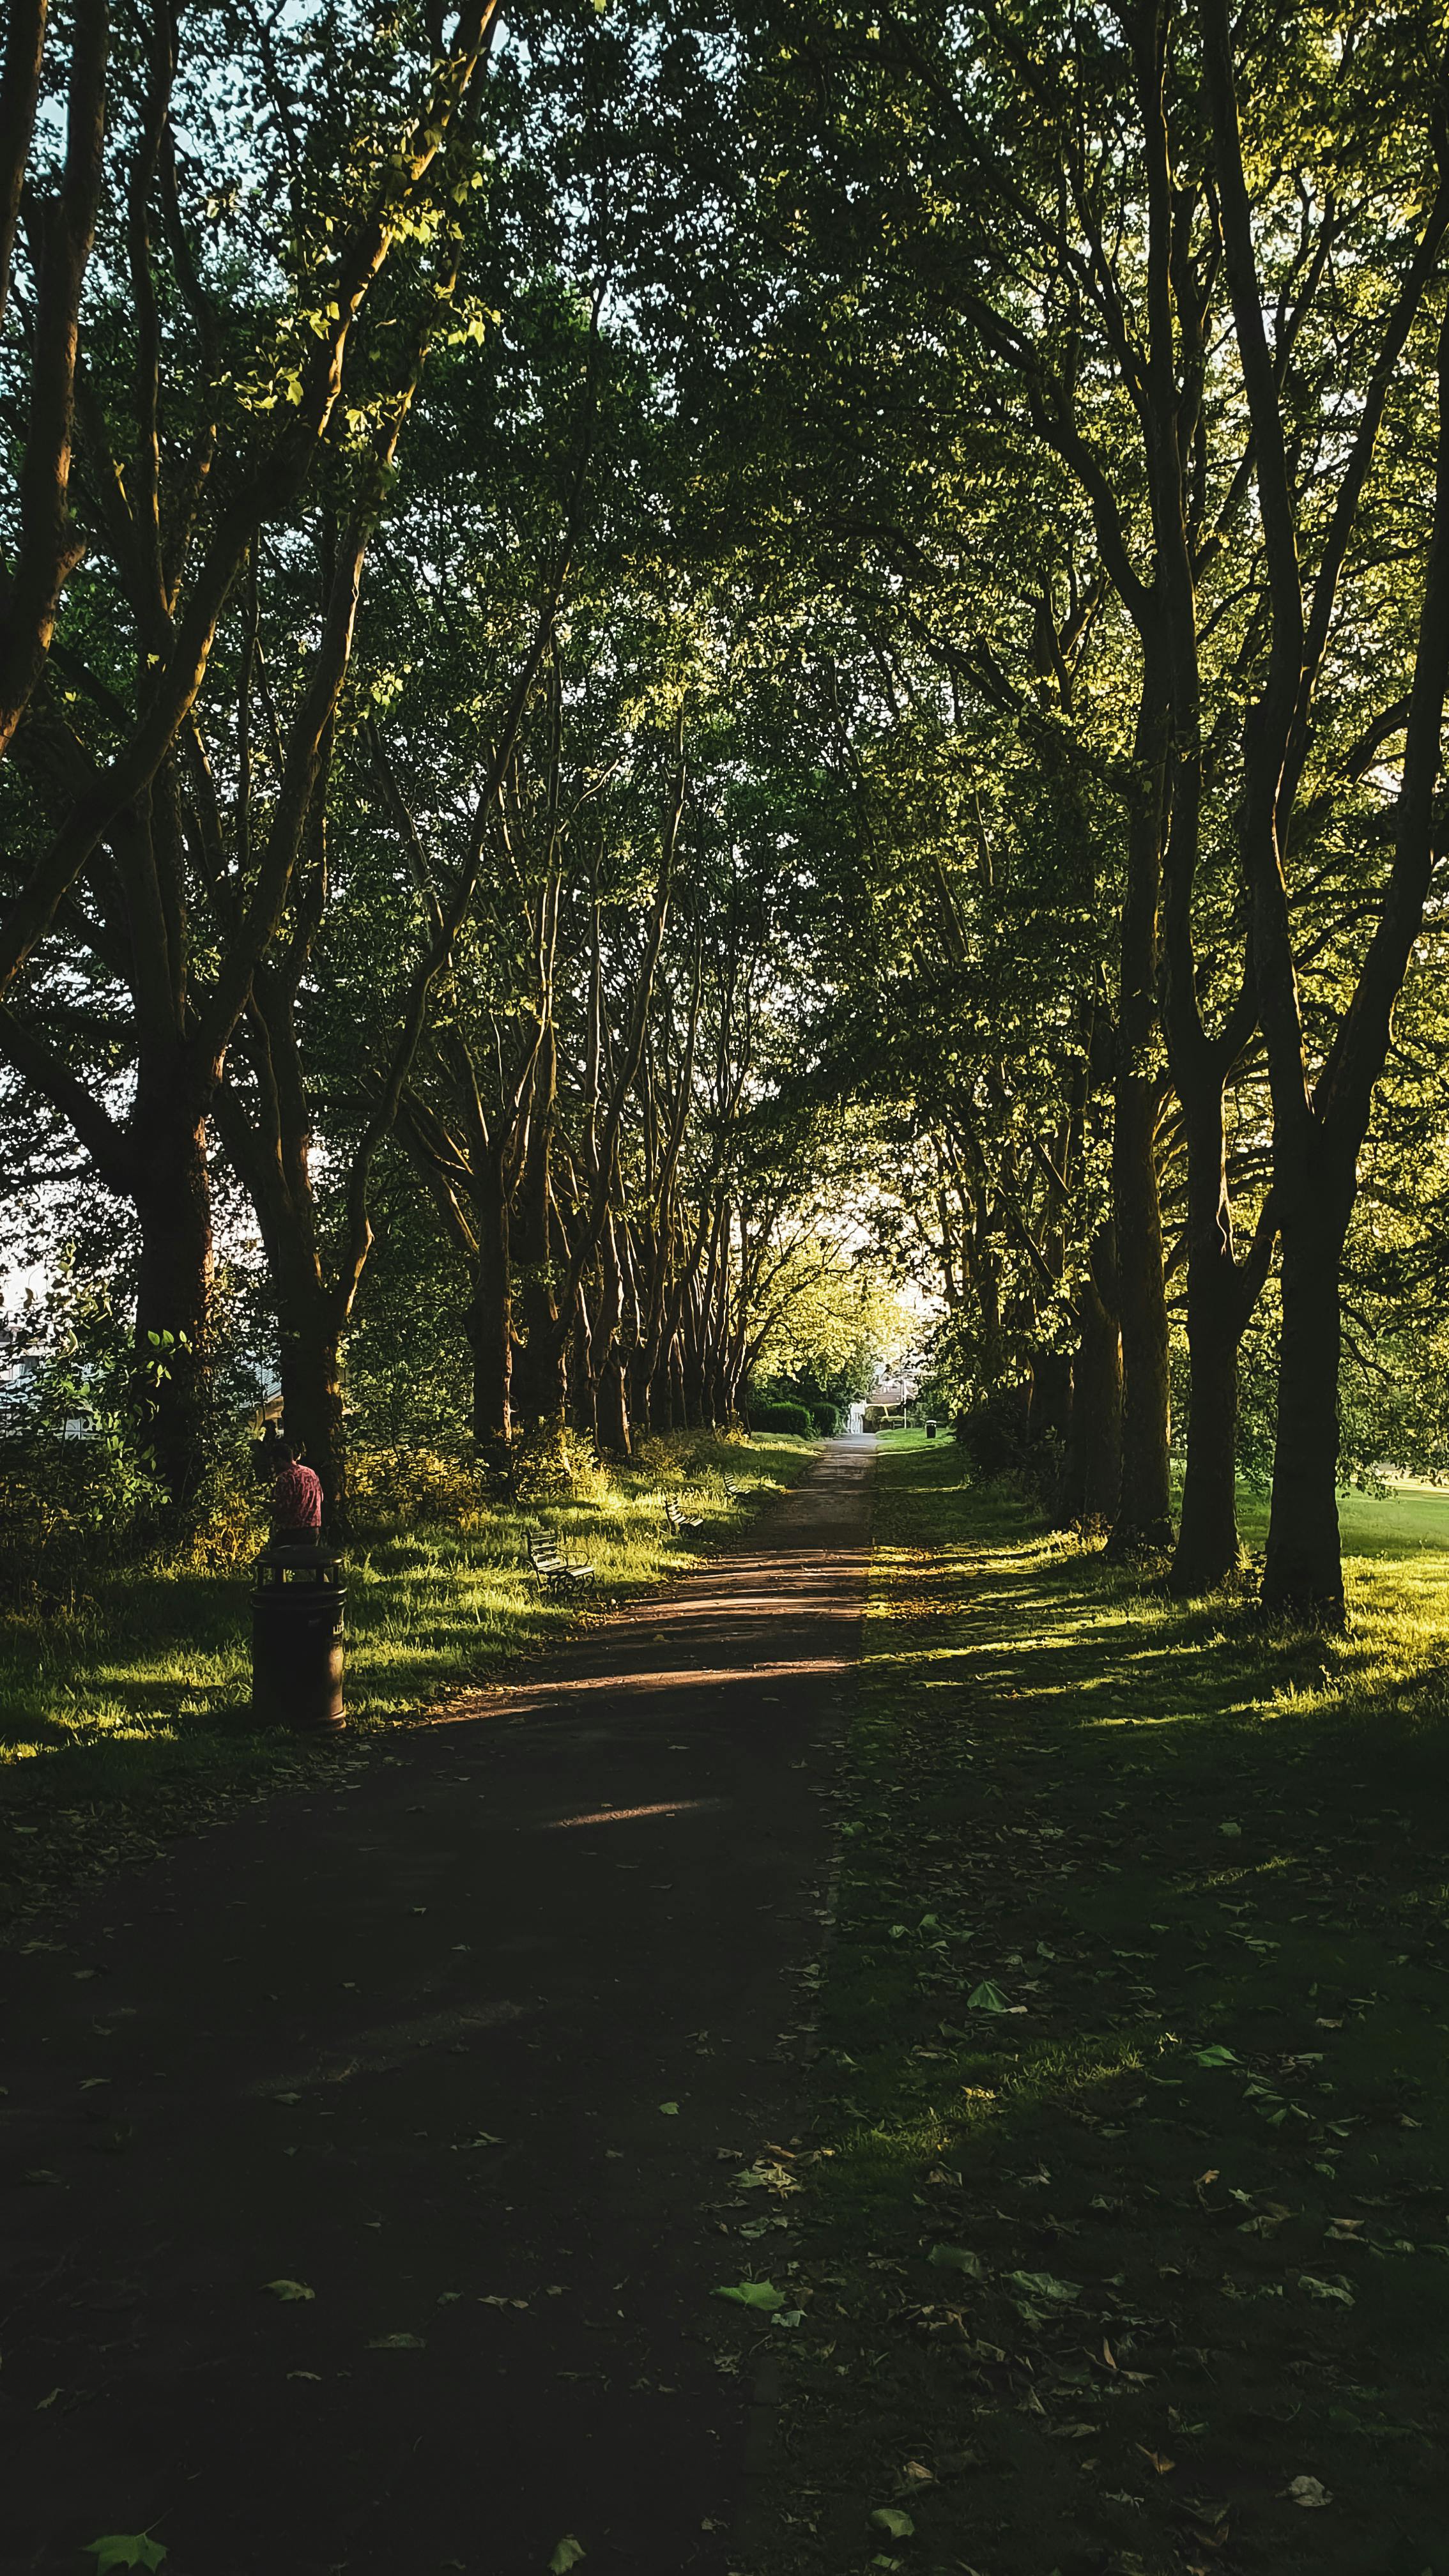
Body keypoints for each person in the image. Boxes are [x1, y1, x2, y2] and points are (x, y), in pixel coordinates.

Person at [270, 1440, 324, 1540]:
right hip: (314, 1529)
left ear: (281, 1460)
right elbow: (321, 1497)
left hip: (293, 1531)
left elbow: (282, 1506)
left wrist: (263, 1505)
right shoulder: (310, 1472)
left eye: (274, 1463)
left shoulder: (285, 1477)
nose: (273, 1468)